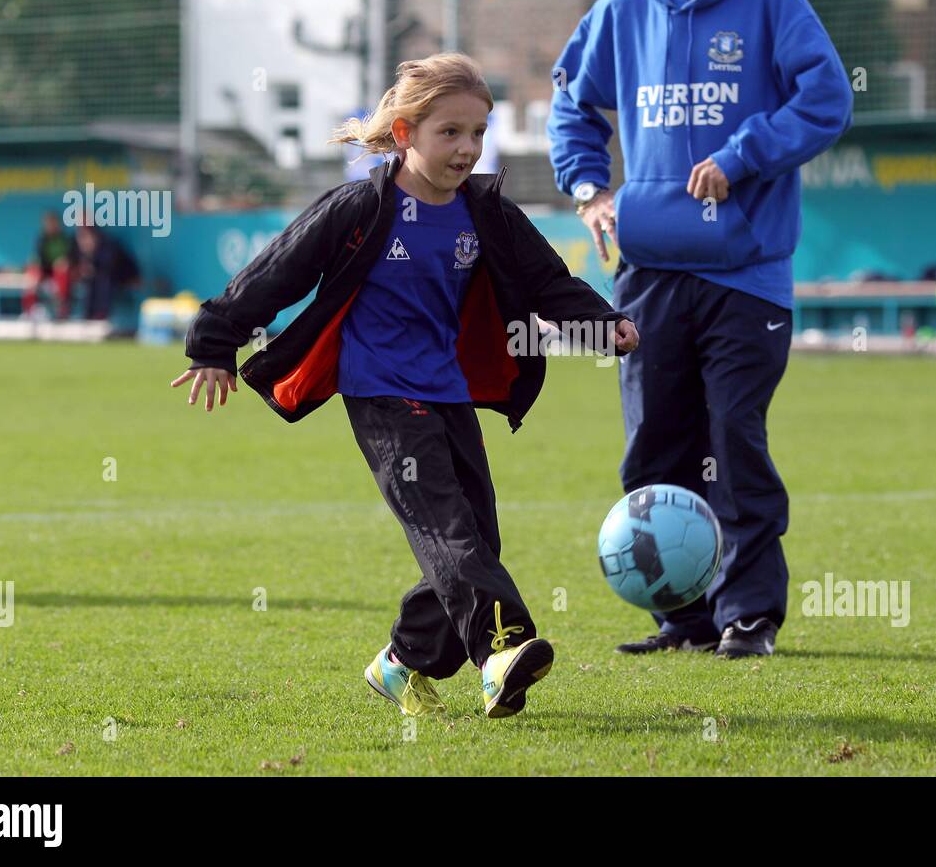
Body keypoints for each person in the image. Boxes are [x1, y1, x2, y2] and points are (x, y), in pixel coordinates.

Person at [172, 53, 639, 717]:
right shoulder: (362, 207)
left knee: (475, 537)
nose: (467, 148)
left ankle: (401, 663)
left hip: (447, 391)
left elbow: (547, 283)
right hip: (382, 395)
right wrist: (214, 343)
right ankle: (502, 648)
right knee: (450, 529)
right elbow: (276, 272)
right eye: (449, 132)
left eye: (477, 133)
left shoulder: (485, 213)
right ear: (403, 135)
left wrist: (604, 324)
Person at [548, 0, 853, 658]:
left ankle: (748, 614)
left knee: (732, 440)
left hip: (747, 273)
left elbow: (826, 98)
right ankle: (678, 612)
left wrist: (743, 154)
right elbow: (572, 104)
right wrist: (589, 190)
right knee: (654, 448)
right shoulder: (619, 12)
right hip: (649, 270)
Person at [22, 211, 78, 319]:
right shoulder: (42, 239)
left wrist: (64, 261)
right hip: (46, 272)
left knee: (61, 268)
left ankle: (62, 309)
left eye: (52, 222)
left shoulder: (66, 239)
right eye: (47, 223)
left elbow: (72, 258)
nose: (49, 226)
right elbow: (38, 258)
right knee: (32, 273)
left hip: (62, 274)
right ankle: (29, 311)